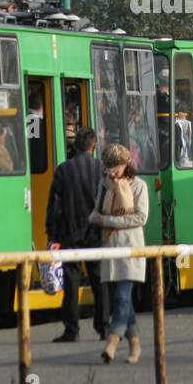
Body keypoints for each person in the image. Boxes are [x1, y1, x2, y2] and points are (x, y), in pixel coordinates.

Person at [88, 143, 149, 363]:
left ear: (126, 165)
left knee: (122, 297)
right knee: (124, 302)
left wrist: (108, 220)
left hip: (131, 250)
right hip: (110, 250)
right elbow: (95, 210)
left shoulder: (139, 186)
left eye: (115, 168)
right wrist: (94, 218)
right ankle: (135, 346)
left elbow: (140, 218)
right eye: (108, 169)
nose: (111, 173)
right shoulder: (104, 186)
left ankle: (112, 344)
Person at [46, 127, 108, 342]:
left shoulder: (63, 170)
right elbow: (106, 203)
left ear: (74, 146)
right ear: (93, 147)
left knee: (71, 281)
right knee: (99, 281)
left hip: (69, 232)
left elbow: (54, 205)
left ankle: (72, 330)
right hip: (95, 233)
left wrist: (52, 233)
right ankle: (104, 327)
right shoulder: (101, 169)